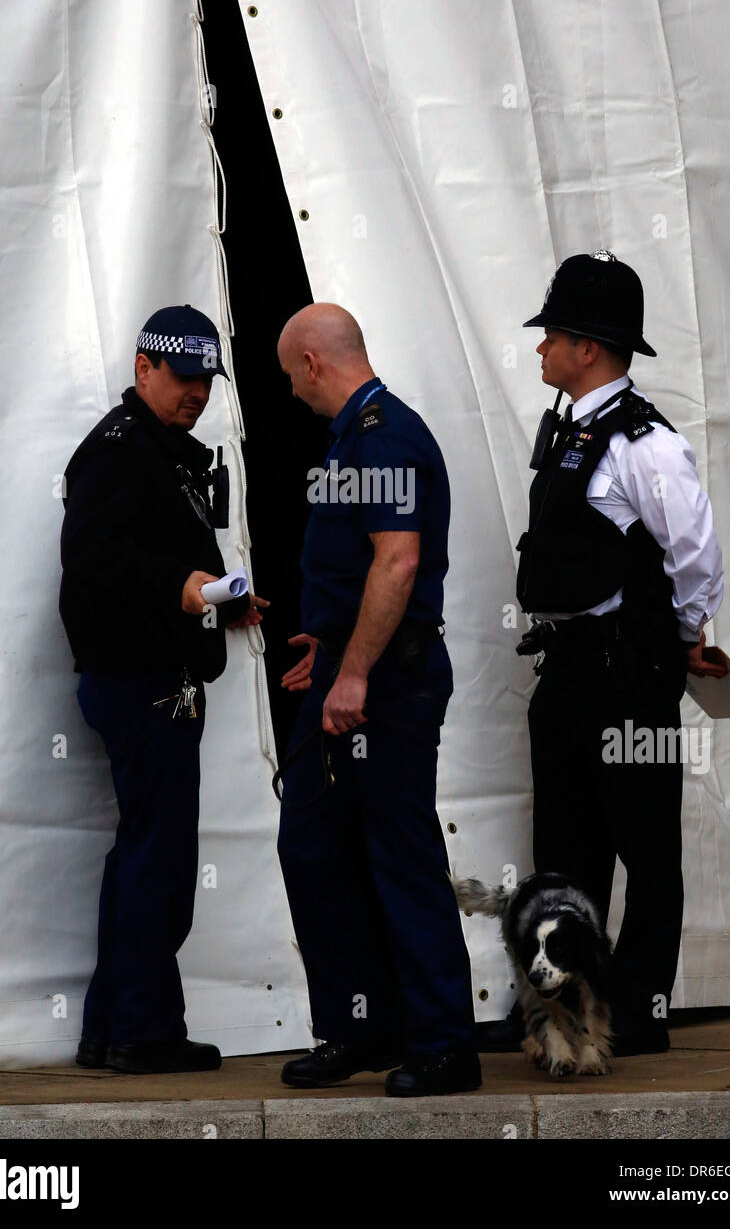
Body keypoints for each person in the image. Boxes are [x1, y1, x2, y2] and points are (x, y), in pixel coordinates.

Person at [514, 251, 725, 1056]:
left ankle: (638, 1008)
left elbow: (694, 552)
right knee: (564, 850)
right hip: (568, 669)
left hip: (625, 673)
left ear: (590, 347)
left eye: (552, 336)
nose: (540, 349)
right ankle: (568, 1006)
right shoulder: (570, 428)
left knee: (645, 844)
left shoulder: (643, 442)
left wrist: (681, 638)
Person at [275, 303, 480, 1096]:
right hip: (349, 668)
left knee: (400, 854)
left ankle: (444, 1044)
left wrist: (355, 671)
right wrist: (331, 648)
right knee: (316, 850)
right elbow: (356, 568)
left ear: (315, 364)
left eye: (292, 375)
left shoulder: (385, 434)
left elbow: (396, 564)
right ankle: (359, 1027)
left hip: (389, 681)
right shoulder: (351, 438)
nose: (291, 392)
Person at [59, 304, 266, 1075]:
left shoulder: (164, 448)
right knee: (160, 861)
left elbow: (146, 551)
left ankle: (113, 1028)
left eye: (205, 380)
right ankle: (141, 1032)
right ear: (143, 367)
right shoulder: (120, 450)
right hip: (140, 681)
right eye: (181, 377)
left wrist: (223, 598)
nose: (196, 393)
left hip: (153, 675)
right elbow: (88, 556)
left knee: (143, 856)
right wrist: (178, 585)